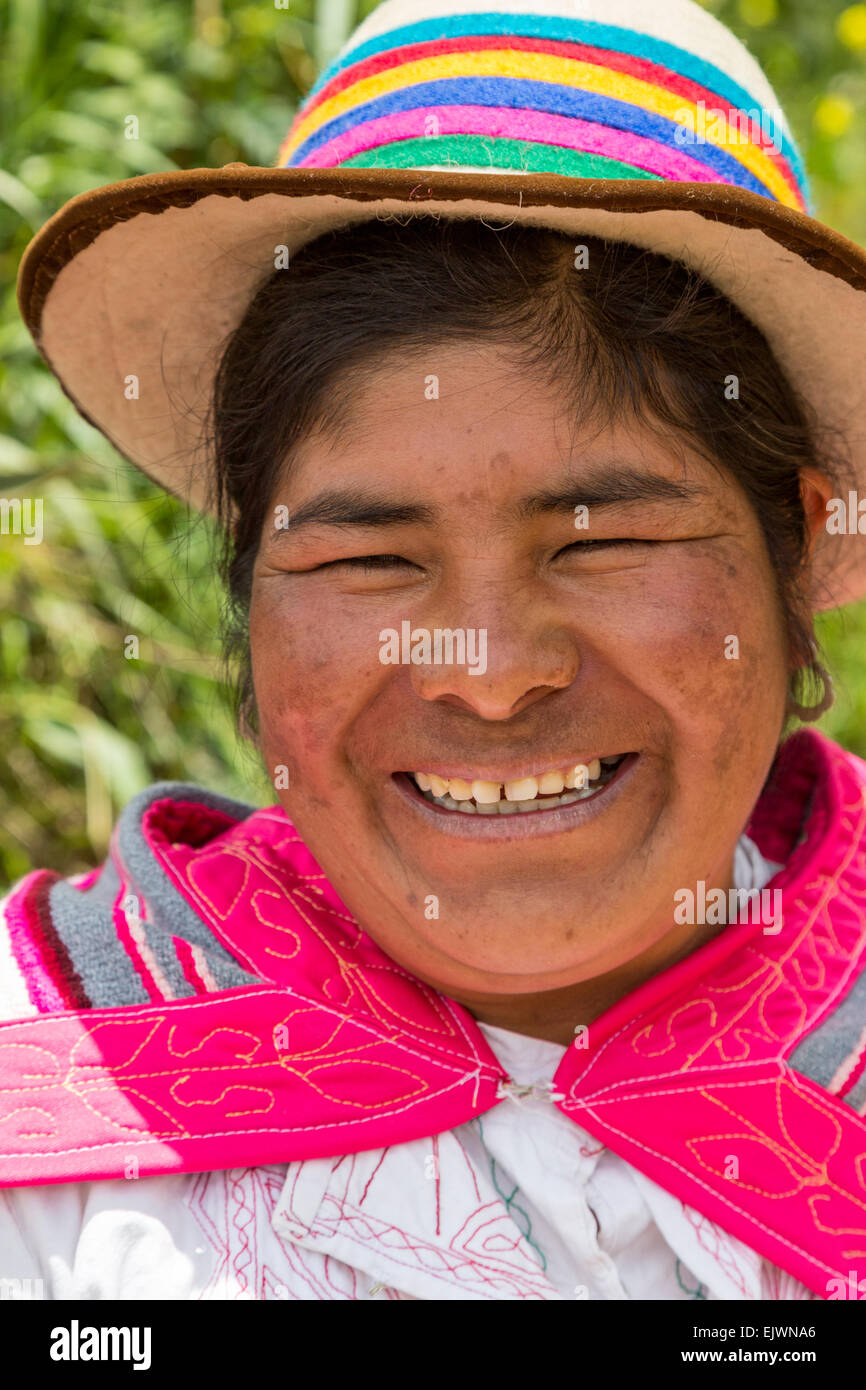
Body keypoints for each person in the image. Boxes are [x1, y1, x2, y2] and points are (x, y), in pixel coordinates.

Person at [2, 0, 866, 1301]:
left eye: (600, 541)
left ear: (798, 553)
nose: (488, 667)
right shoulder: (51, 1128)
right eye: (365, 558)